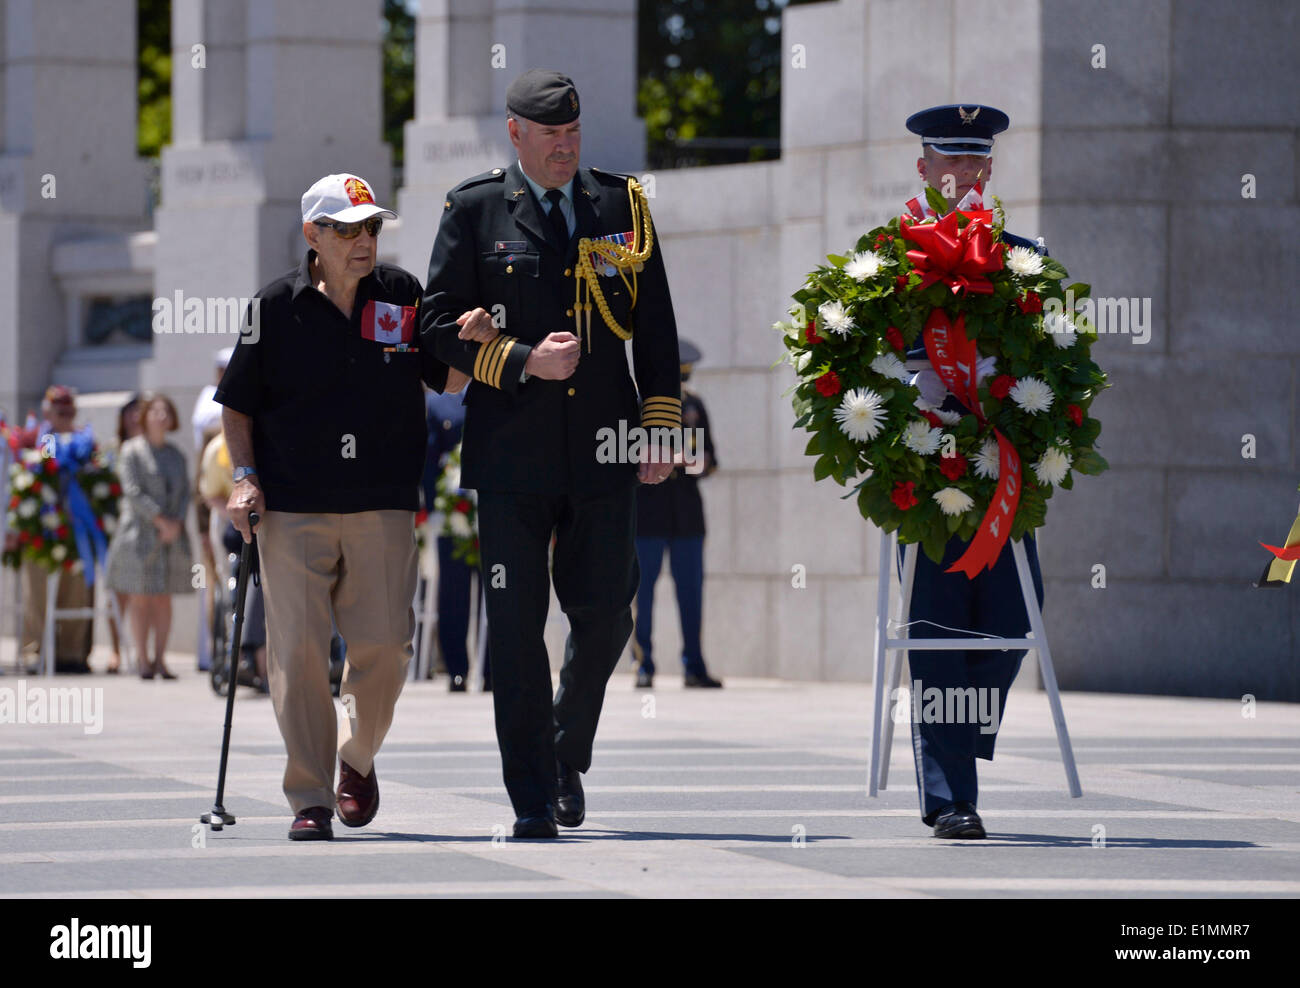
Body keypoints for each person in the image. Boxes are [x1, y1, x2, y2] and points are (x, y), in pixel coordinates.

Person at [423, 69, 683, 839]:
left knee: (606, 614)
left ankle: (566, 744)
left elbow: (659, 324)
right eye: (551, 137)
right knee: (515, 625)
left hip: (605, 445)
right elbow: (434, 330)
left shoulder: (621, 205)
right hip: (513, 453)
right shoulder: (472, 210)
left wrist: (661, 425)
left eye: (573, 135)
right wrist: (520, 359)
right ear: (515, 135)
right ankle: (532, 795)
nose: (566, 149)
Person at [216, 172, 485, 841]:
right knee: (298, 653)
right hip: (293, 507)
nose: (364, 241)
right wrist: (244, 477)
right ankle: (309, 795)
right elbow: (237, 405)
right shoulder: (274, 306)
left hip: (385, 501)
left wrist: (470, 345)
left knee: (388, 646)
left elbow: (445, 380)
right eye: (348, 229)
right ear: (314, 235)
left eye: (371, 228)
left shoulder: (400, 295)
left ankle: (356, 759)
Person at [898, 104, 1046, 840]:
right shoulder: (890, 265)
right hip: (925, 473)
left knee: (1016, 624)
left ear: (989, 171)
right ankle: (952, 794)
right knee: (935, 633)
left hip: (1001, 467)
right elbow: (859, 365)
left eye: (973, 162)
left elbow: (1056, 361)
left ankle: (963, 741)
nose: (959, 174)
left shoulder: (1026, 260)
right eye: (945, 162)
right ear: (923, 170)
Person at [631, 339, 722, 689]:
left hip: (686, 515)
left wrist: (694, 462)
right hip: (648, 513)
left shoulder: (695, 405)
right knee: (644, 594)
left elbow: (711, 458)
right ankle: (644, 664)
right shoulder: (640, 406)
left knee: (691, 593)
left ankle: (694, 666)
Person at [104, 393, 195, 680]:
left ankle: (160, 659)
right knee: (141, 597)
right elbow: (132, 491)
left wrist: (176, 521)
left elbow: (185, 492)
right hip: (139, 535)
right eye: (155, 411)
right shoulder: (132, 451)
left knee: (163, 598)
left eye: (166, 411)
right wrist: (159, 518)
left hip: (171, 536)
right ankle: (142, 660)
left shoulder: (177, 455)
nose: (161, 416)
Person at [18, 387, 94, 674]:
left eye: (69, 409)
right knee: (36, 592)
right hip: (40, 527)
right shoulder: (31, 437)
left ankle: (71, 654)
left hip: (77, 529)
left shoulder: (84, 439)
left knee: (76, 591)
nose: (65, 415)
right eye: (59, 409)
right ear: (46, 411)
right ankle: (36, 651)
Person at [421, 387, 491, 692]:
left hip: (491, 512)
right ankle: (457, 670)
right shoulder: (438, 403)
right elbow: (429, 460)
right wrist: (435, 505)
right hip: (453, 512)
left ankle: (492, 670)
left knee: (496, 596)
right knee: (453, 596)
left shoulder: (495, 391)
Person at [104, 394, 143, 673]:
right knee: (116, 591)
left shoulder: (154, 449)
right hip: (116, 527)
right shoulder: (112, 450)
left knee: (145, 591)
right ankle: (115, 650)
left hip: (145, 528)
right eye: (130, 413)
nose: (135, 418)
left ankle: (143, 652)